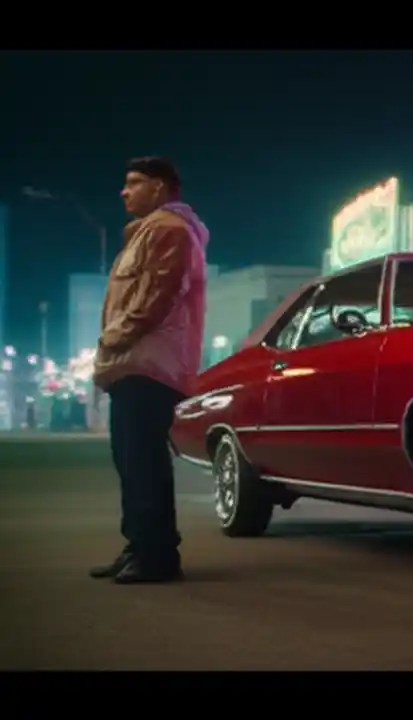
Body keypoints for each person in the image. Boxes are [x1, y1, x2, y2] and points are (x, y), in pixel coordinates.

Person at [90, 157, 209, 583]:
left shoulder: (168, 230)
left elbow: (158, 294)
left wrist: (113, 338)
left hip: (149, 364)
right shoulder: (147, 231)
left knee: (143, 463)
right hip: (134, 363)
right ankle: (139, 546)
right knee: (131, 461)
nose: (124, 191)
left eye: (134, 183)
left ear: (159, 188)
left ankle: (156, 556)